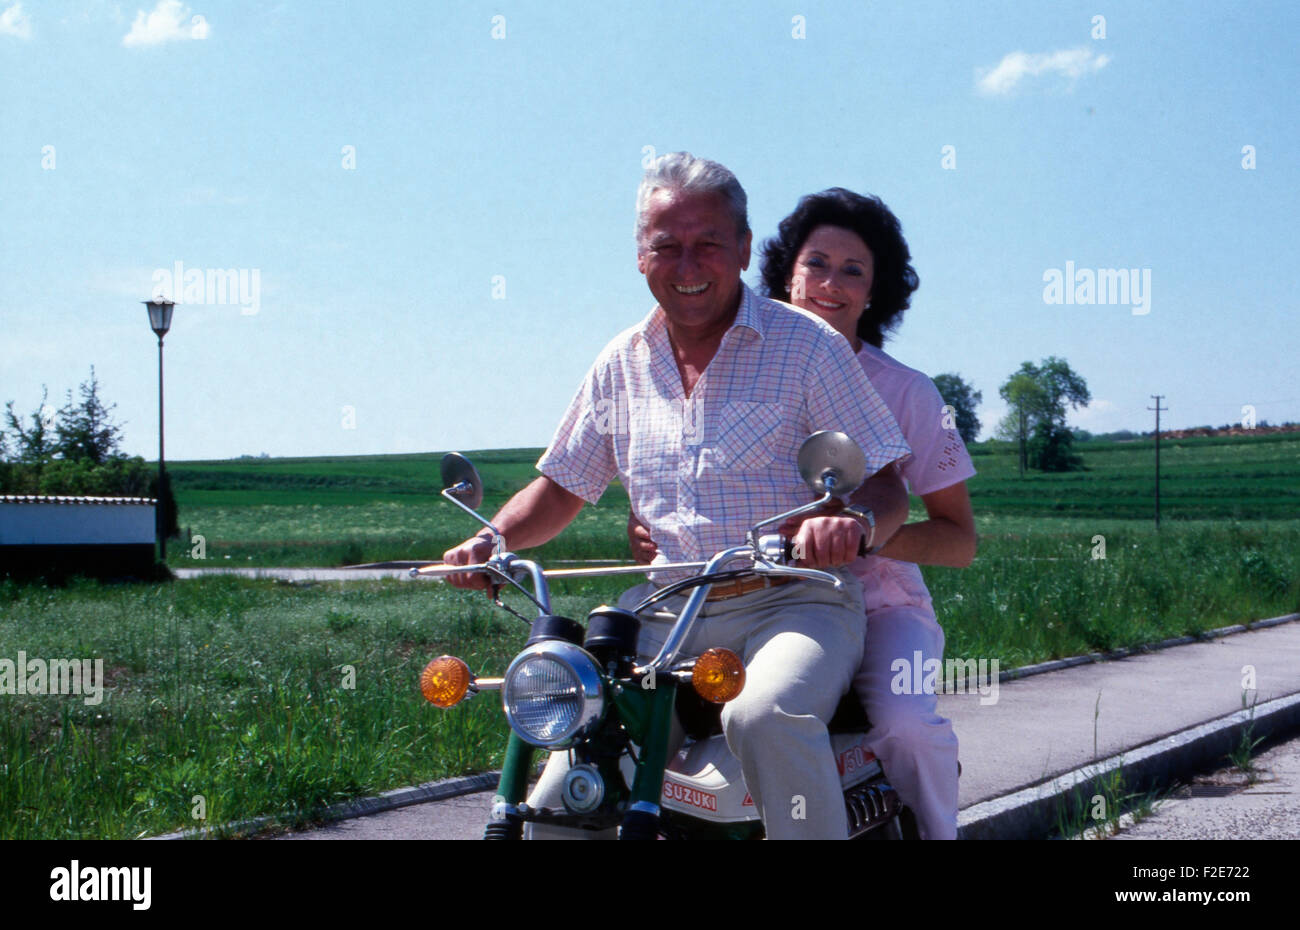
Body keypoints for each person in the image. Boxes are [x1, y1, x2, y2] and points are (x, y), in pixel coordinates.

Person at [443, 155, 914, 839]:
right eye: (667, 245)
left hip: (794, 599)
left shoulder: (806, 345)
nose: (688, 263)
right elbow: (560, 486)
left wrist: (855, 522)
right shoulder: (620, 362)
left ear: (745, 249)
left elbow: (885, 482)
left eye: (709, 243)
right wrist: (494, 539)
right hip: (665, 614)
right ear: (641, 257)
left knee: (765, 714)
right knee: (564, 791)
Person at [630, 188, 976, 839]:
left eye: (854, 271)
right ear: (785, 273)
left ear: (877, 292)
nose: (831, 284)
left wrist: (861, 537)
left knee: (905, 725)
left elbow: (961, 540)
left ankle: (937, 833)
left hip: (880, 609)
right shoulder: (734, 369)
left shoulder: (910, 393)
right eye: (817, 264)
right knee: (638, 724)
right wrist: (652, 528)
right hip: (751, 598)